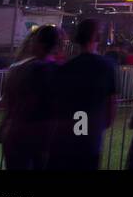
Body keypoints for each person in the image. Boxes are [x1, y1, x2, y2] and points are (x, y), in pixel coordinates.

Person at [47, 20, 117, 170]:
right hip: (91, 132)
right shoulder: (106, 66)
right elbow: (111, 101)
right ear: (95, 37)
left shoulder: (67, 67)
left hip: (67, 132)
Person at [0, 25, 58, 170]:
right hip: (47, 135)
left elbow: (4, 102)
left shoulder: (16, 69)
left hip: (17, 132)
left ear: (38, 43)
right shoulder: (61, 72)